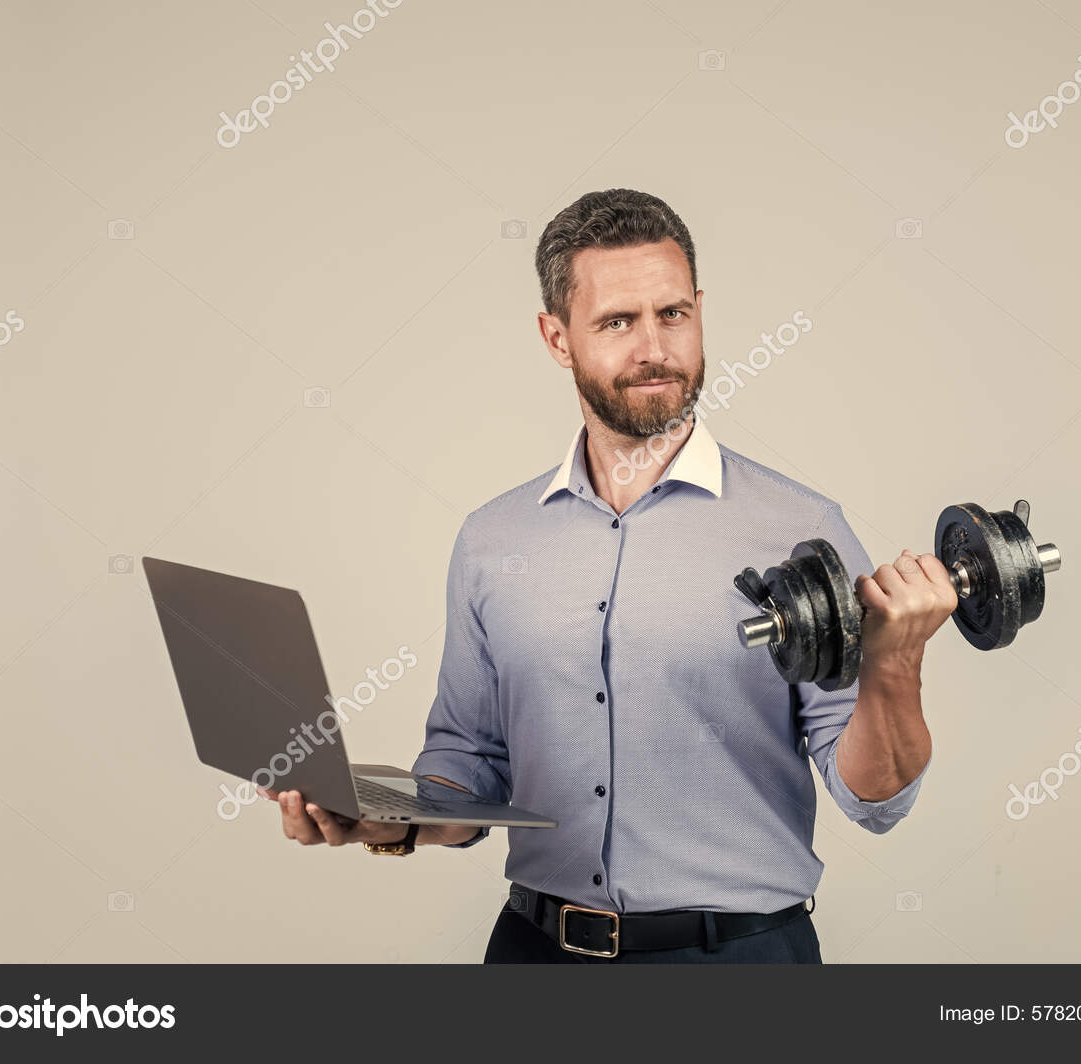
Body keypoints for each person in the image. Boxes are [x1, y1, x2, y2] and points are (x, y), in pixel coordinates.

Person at [262, 189, 956, 963]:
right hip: (532, 952)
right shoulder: (493, 540)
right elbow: (471, 765)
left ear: (700, 311)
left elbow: (874, 800)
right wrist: (387, 820)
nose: (654, 348)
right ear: (557, 338)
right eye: (618, 322)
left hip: (735, 961)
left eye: (672, 314)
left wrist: (895, 665)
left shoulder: (803, 530)